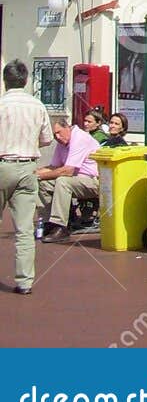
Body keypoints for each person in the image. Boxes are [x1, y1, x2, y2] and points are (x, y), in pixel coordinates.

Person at [0, 60, 54, 294]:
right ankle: (24, 281)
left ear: (5, 80)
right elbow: (46, 139)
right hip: (28, 166)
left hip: (2, 163)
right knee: (24, 229)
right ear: (25, 80)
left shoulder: (1, 104)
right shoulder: (37, 105)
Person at [36, 113, 100, 241]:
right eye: (54, 135)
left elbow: (68, 171)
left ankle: (60, 226)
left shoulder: (79, 138)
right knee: (43, 183)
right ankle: (49, 223)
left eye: (59, 133)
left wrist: (38, 175)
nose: (57, 137)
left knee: (63, 181)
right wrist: (33, 174)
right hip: (77, 180)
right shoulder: (62, 143)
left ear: (67, 127)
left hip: (94, 181)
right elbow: (54, 167)